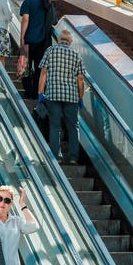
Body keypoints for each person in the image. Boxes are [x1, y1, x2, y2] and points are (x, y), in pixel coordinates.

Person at [38, 28, 84, 164]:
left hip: (53, 94)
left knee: (55, 126)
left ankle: (56, 157)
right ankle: (74, 157)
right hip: (71, 97)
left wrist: (40, 92)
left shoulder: (50, 50)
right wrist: (80, 97)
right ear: (70, 41)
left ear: (58, 39)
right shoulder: (76, 54)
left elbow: (44, 72)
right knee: (73, 127)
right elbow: (80, 79)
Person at [19, 0, 56, 99]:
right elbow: (54, 21)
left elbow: (25, 19)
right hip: (44, 42)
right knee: (40, 68)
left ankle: (28, 91)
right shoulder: (47, 3)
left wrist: (22, 36)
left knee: (25, 66)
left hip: (29, 40)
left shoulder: (28, 2)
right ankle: (38, 91)